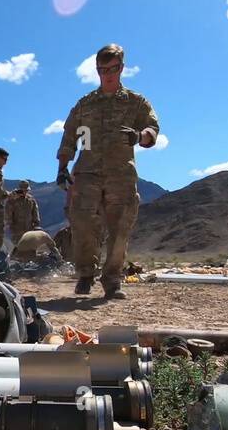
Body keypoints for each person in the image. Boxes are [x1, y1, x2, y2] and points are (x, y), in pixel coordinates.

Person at [55, 43, 160, 299]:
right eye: (103, 69)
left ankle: (112, 280)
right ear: (97, 70)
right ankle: (86, 274)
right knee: (82, 224)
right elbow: (70, 134)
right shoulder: (85, 104)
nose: (108, 74)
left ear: (122, 68)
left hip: (120, 174)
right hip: (87, 172)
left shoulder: (136, 102)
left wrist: (139, 137)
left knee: (120, 227)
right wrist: (62, 167)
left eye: (113, 69)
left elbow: (153, 129)